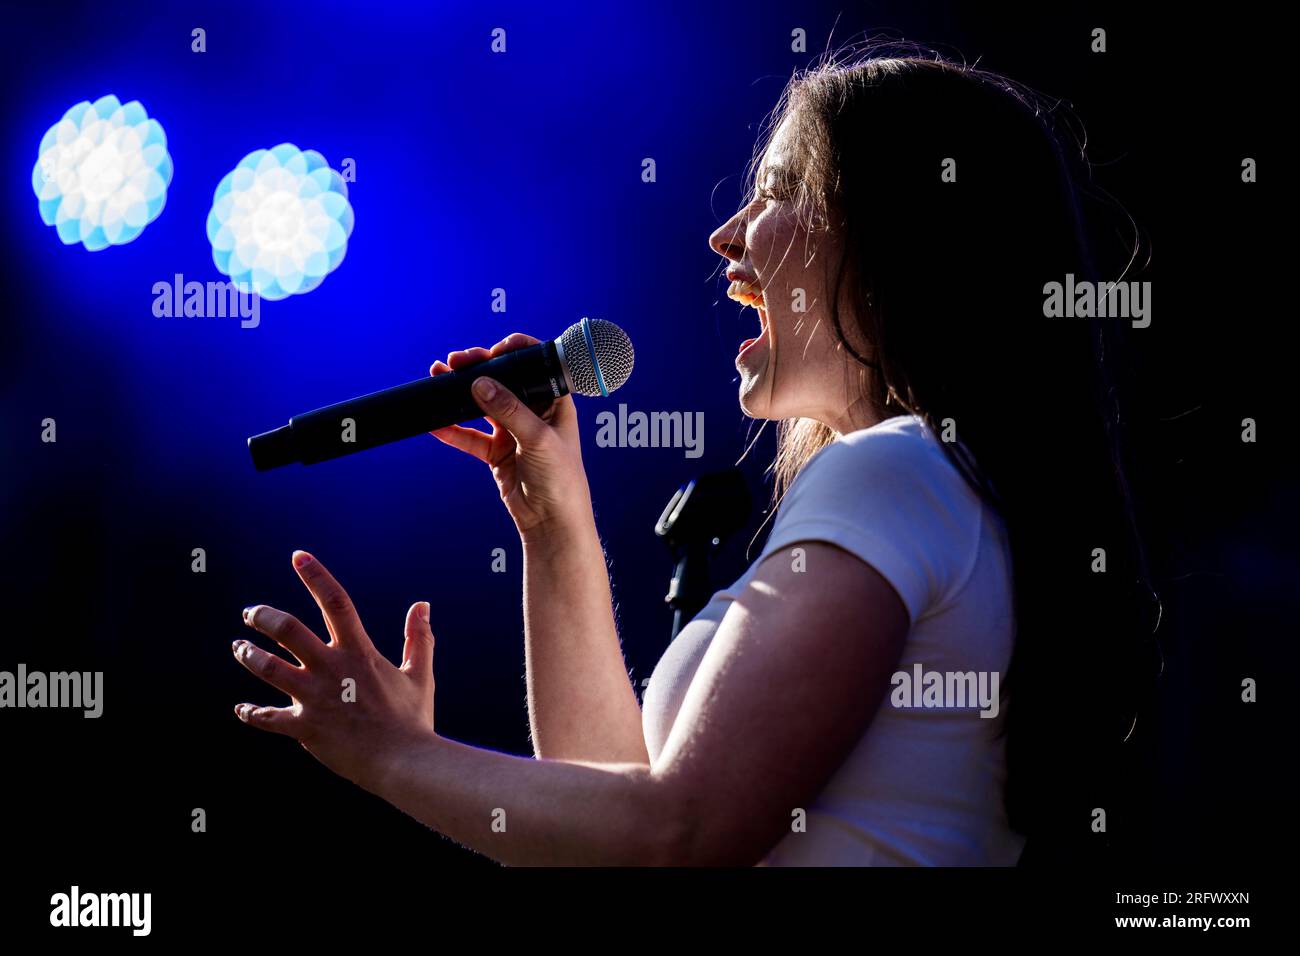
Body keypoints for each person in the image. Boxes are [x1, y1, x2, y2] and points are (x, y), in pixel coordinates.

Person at [230, 48, 1150, 866]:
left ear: (896, 235)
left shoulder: (896, 469)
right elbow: (613, 799)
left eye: (784, 189)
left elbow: (681, 835)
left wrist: (395, 753)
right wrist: (555, 522)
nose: (728, 235)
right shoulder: (950, 487)